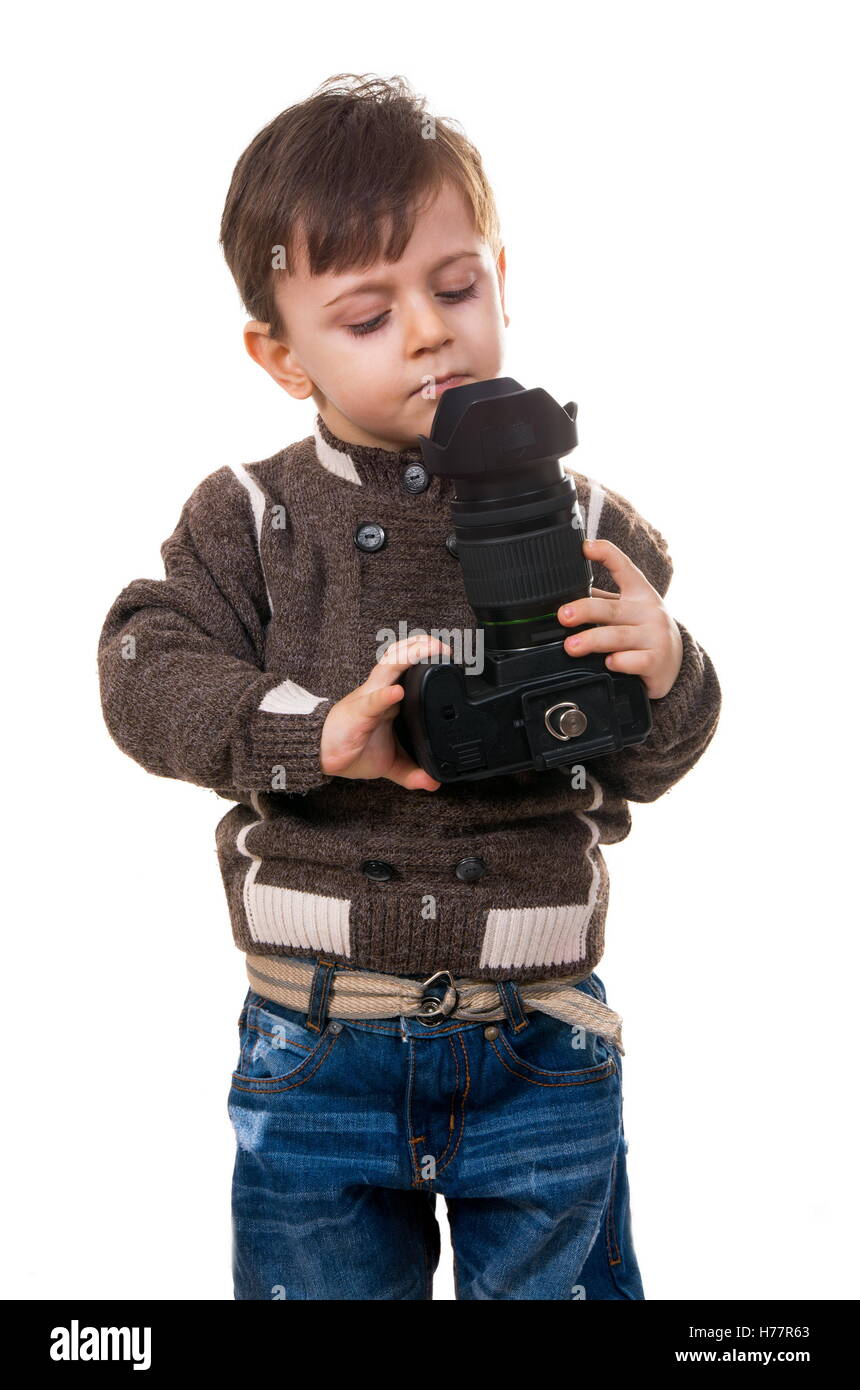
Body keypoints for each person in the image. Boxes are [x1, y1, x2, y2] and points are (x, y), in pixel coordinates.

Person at [97, 73, 722, 1300]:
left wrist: (668, 669)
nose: (431, 333)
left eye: (453, 288)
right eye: (366, 316)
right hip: (313, 1033)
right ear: (281, 355)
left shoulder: (589, 517)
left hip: (539, 1032)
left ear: (500, 276)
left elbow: (650, 757)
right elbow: (138, 665)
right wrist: (313, 734)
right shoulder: (256, 515)